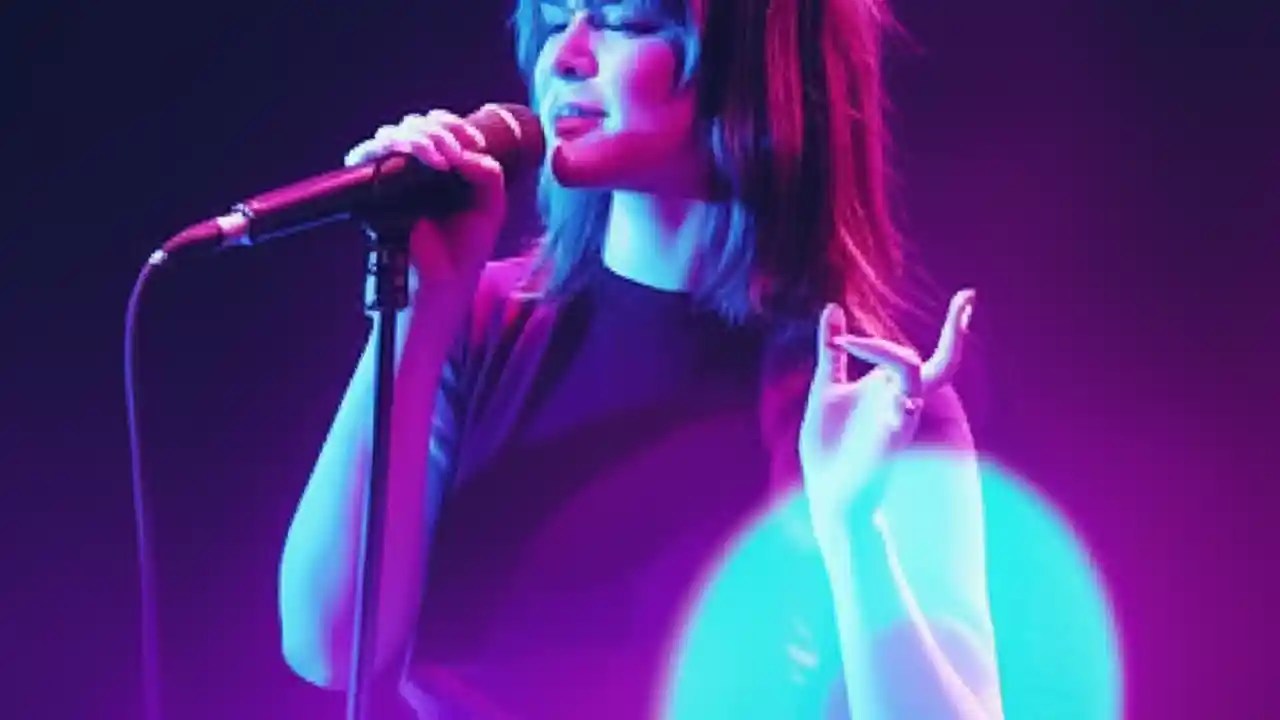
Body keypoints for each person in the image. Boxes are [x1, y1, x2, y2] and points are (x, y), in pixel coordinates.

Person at [278, 0, 1004, 717]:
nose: (566, 56)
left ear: (754, 61)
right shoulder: (478, 323)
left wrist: (856, 530)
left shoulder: (869, 399)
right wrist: (419, 310)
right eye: (554, 19)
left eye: (621, 20)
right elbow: (327, 647)